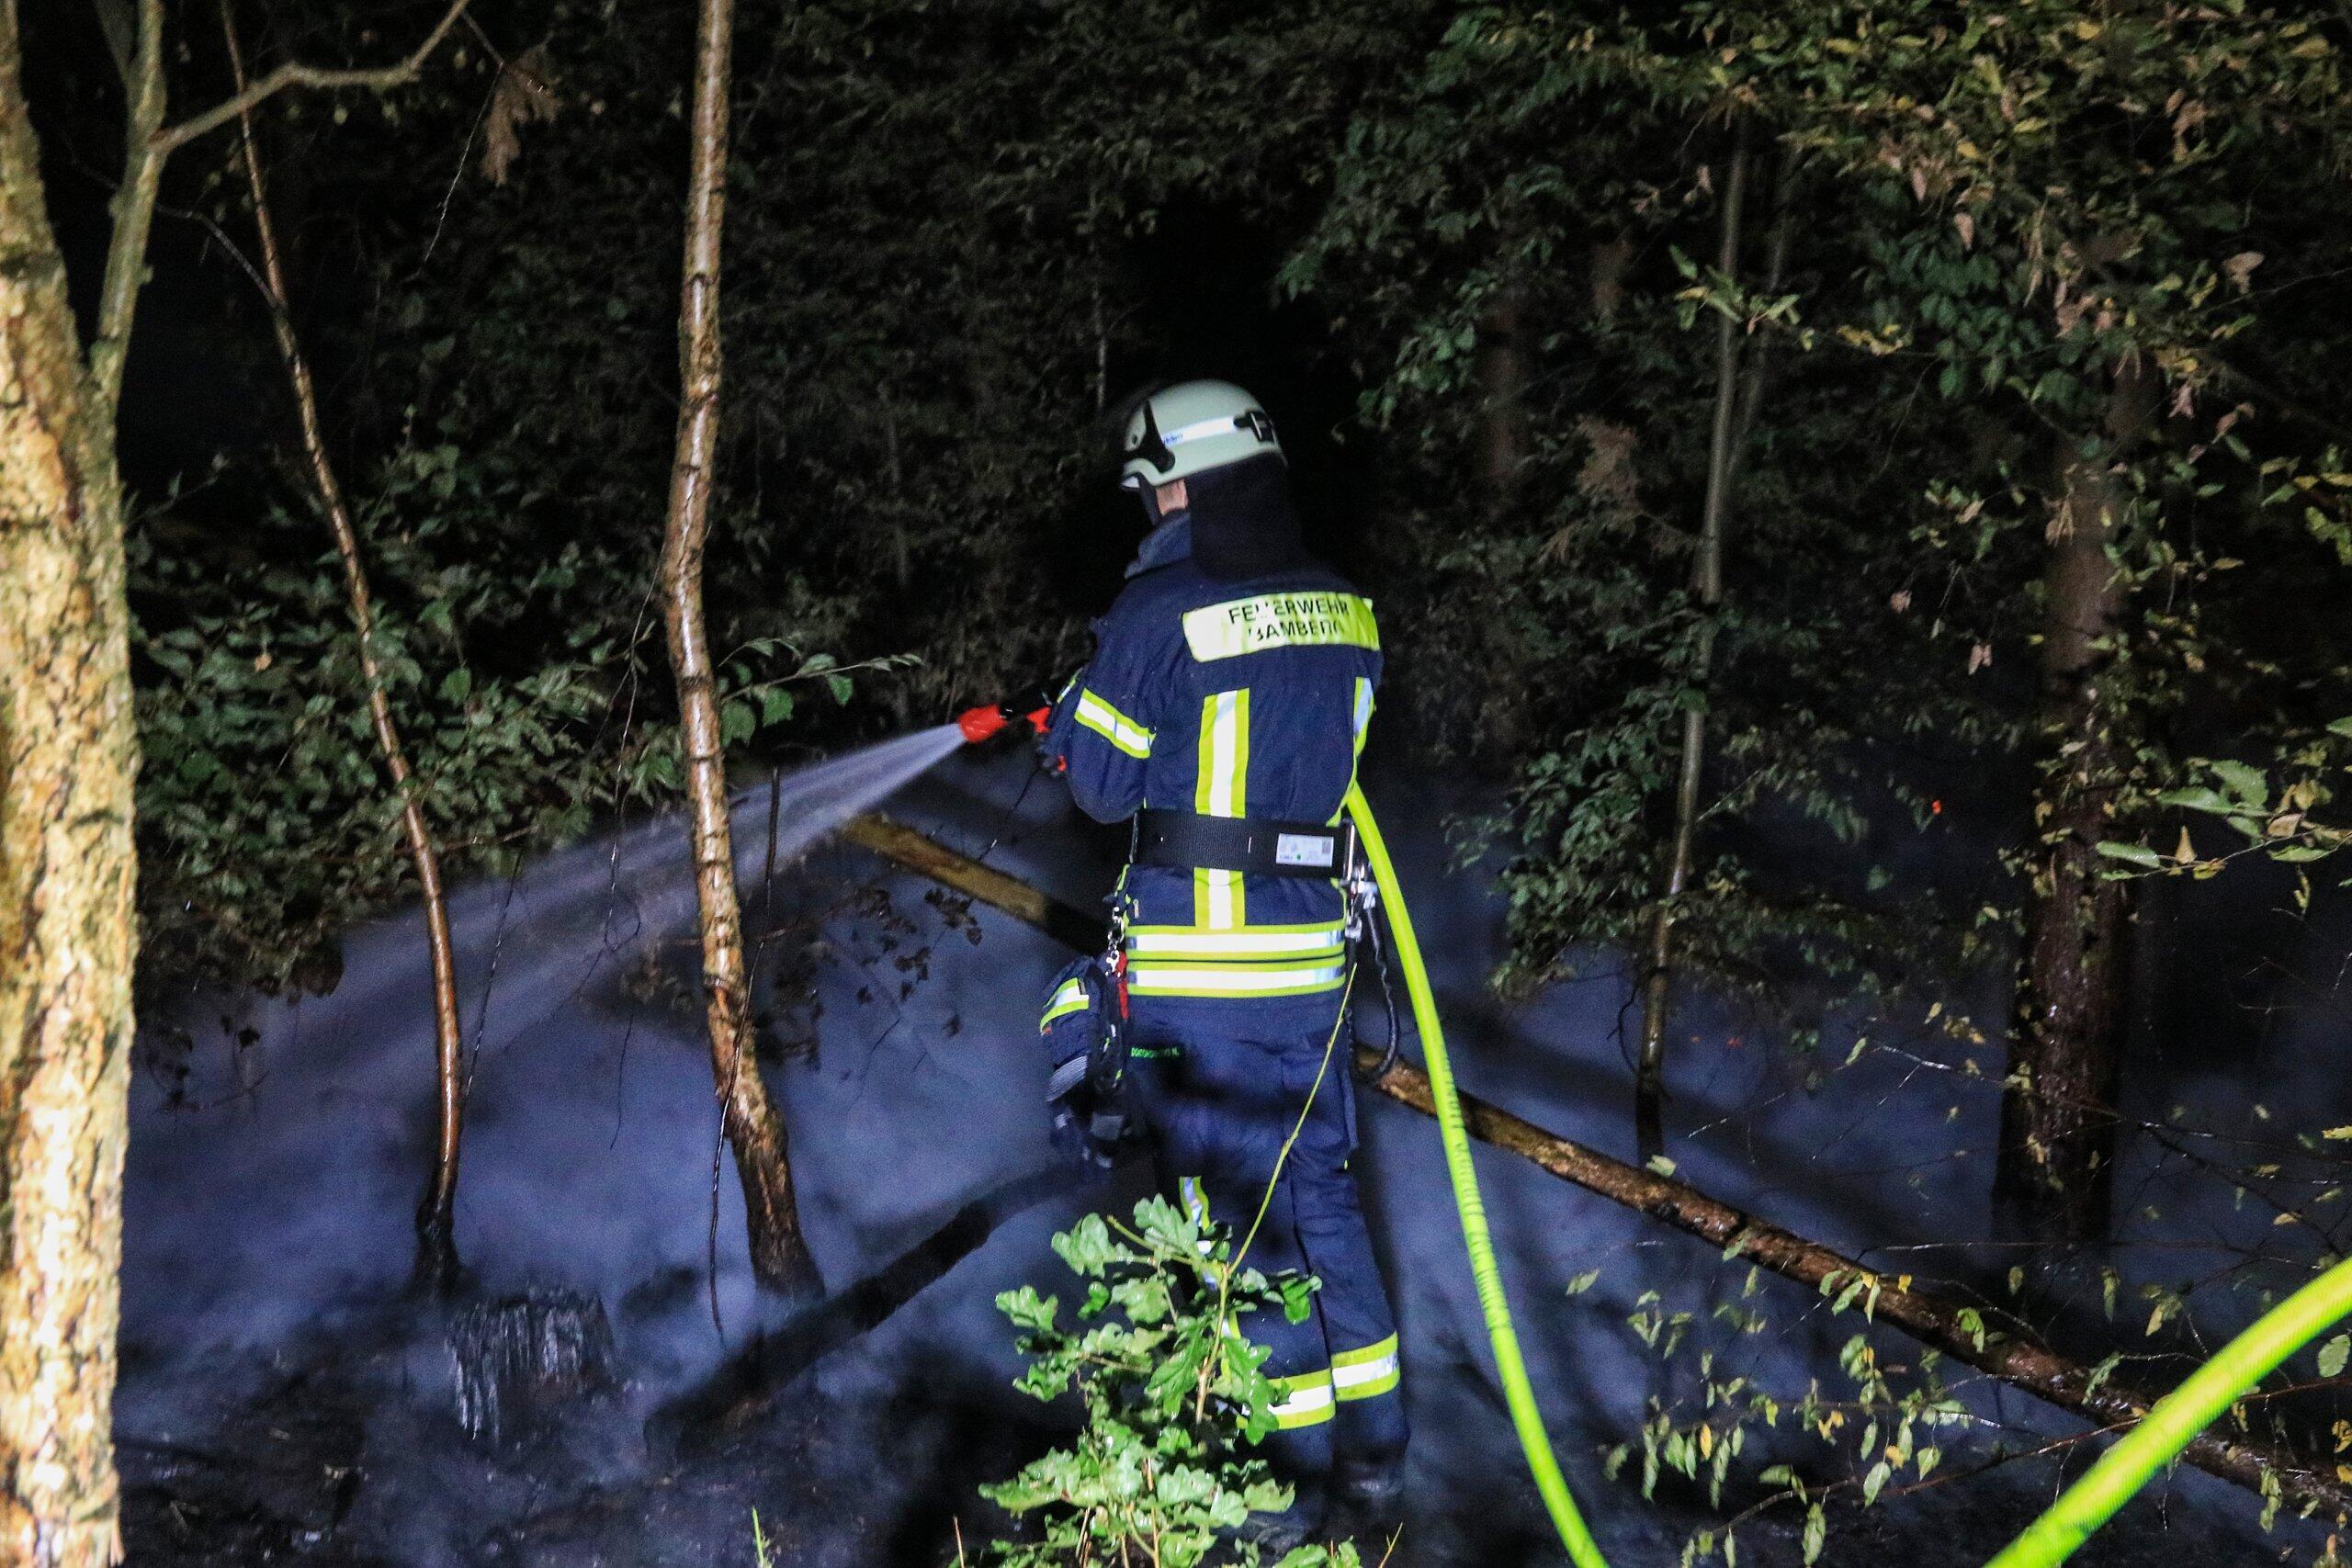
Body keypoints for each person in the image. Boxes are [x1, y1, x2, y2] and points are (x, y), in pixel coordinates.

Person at [1038, 379, 1408, 1543]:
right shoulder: (1346, 607)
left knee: (1243, 1239)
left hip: (1208, 975)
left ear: (1181, 481)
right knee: (1325, 1207)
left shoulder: (1158, 616)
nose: (1146, 516)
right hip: (1312, 969)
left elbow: (1098, 785)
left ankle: (1280, 1497)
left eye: (1150, 492)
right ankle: (1377, 1466)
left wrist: (1076, 712)